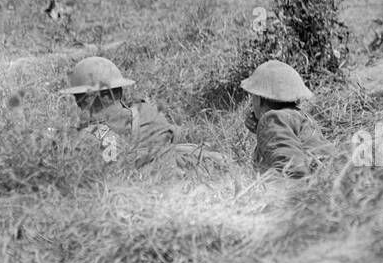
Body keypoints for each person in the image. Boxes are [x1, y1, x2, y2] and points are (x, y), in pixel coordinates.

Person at [60, 56, 226, 175]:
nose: (78, 103)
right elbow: (173, 135)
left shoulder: (87, 138)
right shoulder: (148, 114)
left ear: (100, 96)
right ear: (119, 91)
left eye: (80, 97)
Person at [240, 60, 330, 178]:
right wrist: (260, 130)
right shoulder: (299, 116)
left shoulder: (272, 120)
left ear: (259, 98)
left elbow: (293, 170)